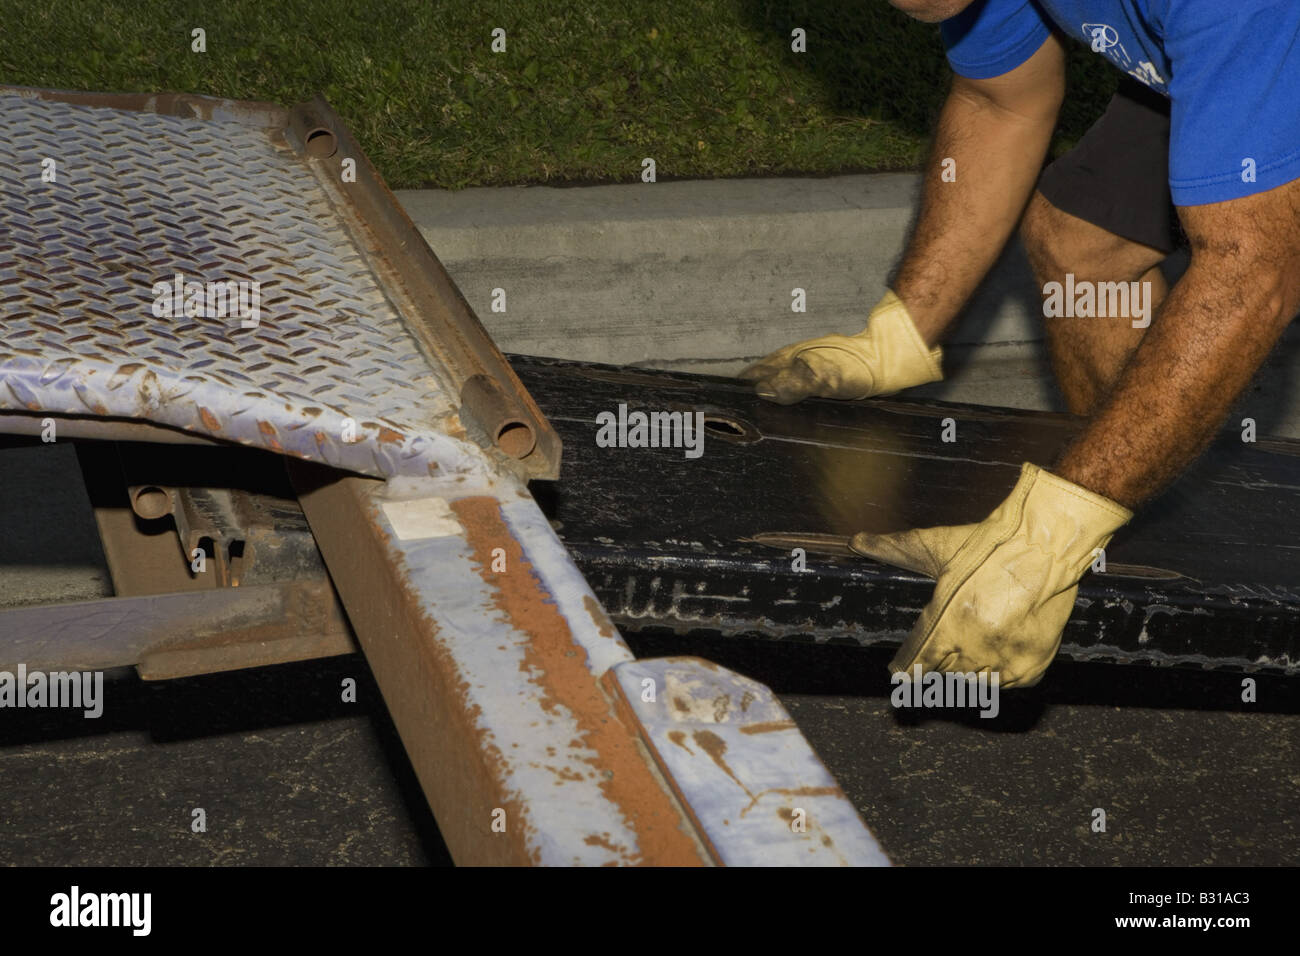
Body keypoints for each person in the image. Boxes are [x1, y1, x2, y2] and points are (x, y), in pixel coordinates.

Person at [741, 0, 1300, 689]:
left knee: (1258, 248)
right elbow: (999, 101)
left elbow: (1253, 271)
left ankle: (1067, 531)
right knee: (1082, 247)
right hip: (1240, 49)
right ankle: (1140, 533)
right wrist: (904, 331)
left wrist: (1044, 540)